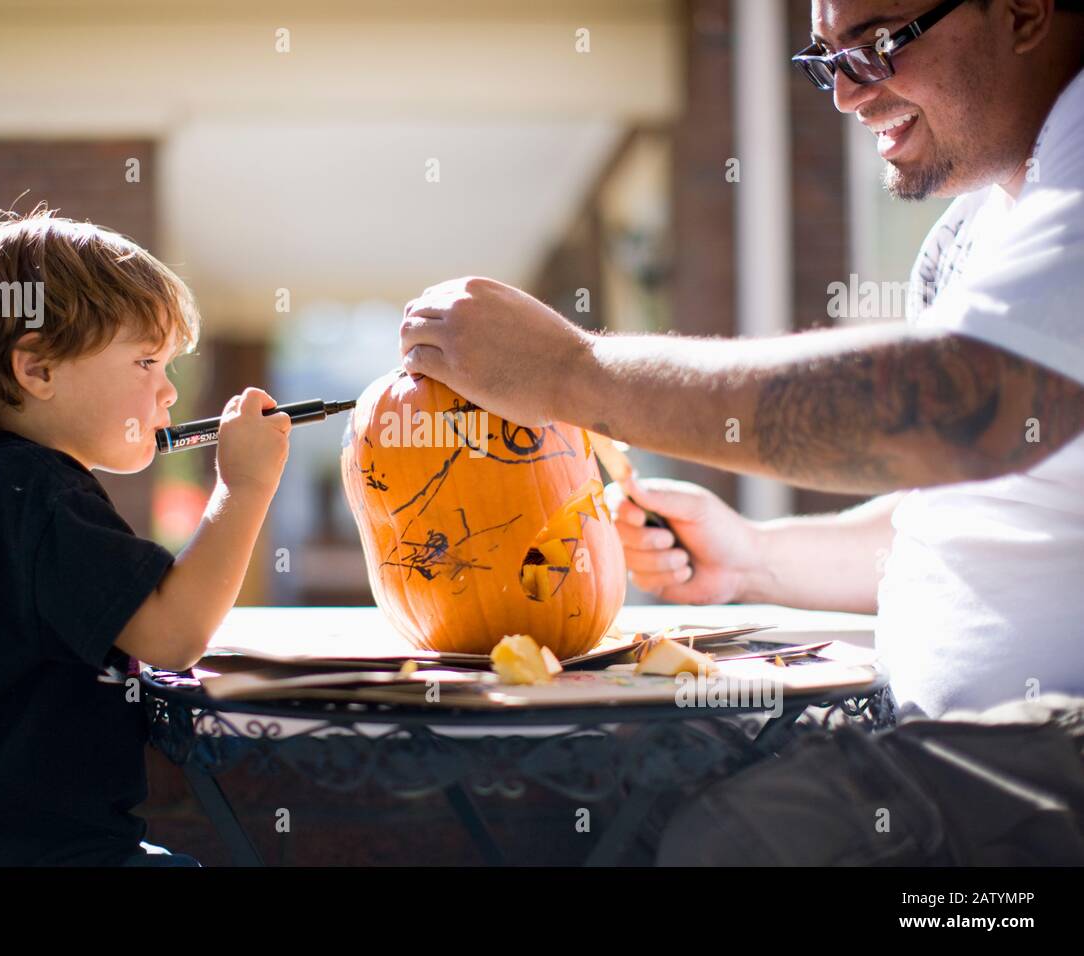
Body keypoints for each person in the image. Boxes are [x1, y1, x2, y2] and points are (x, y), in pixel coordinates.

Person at [400, 0, 1084, 722]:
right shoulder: (976, 229)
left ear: (1023, 11)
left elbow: (944, 407)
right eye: (827, 62)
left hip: (1033, 776)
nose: (848, 94)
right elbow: (960, 517)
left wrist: (568, 373)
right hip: (928, 747)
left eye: (877, 44)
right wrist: (753, 555)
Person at [0, 210, 291, 866]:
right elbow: (172, 636)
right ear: (38, 371)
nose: (169, 391)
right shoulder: (36, 492)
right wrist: (243, 489)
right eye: (146, 361)